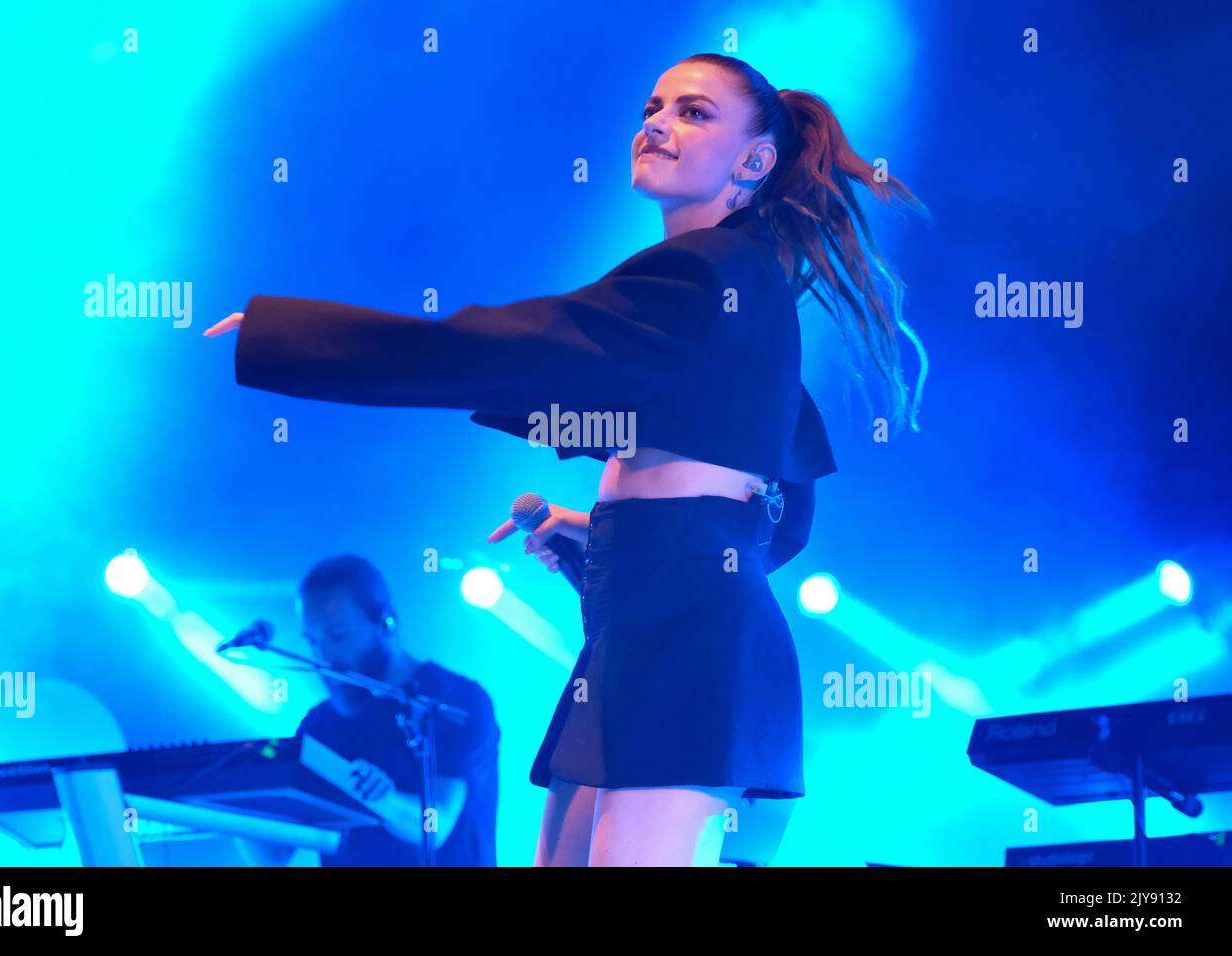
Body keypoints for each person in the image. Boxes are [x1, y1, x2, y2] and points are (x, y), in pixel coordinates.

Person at [207, 53, 926, 866]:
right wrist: (598, 531)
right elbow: (775, 515)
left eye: (693, 113)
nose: (656, 122)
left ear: (755, 160)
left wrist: (292, 339)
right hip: (655, 630)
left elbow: (499, 351)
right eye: (653, 106)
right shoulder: (734, 289)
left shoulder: (711, 271)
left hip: (686, 640)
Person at [294, 554, 499, 867]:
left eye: (337, 635)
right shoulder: (319, 725)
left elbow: (436, 825)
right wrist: (231, 809)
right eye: (312, 640)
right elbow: (275, 855)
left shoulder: (456, 701)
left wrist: (379, 798)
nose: (323, 655)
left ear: (386, 620)